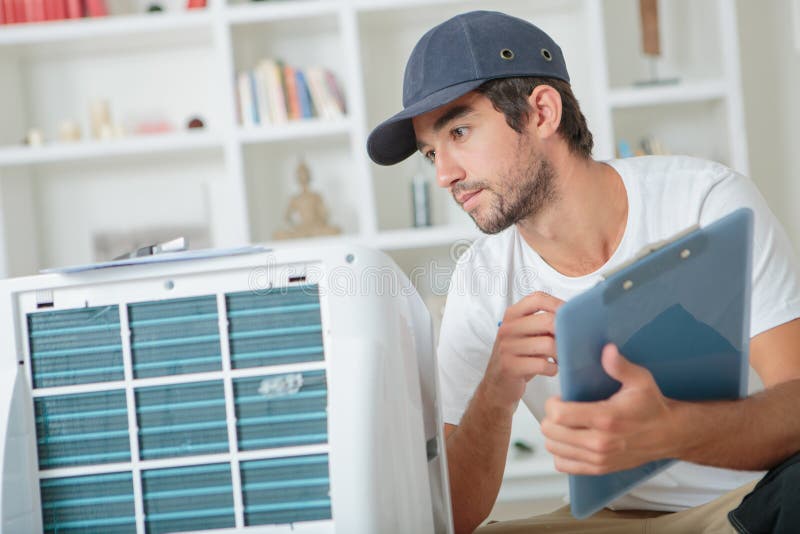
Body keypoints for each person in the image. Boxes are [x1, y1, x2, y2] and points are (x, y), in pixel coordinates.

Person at [366, 10, 800, 534]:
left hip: (745, 501)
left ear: (542, 112)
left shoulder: (706, 201)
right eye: (431, 152)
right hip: (611, 520)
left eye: (459, 130)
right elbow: (450, 517)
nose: (443, 174)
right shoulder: (480, 281)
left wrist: (670, 429)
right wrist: (497, 389)